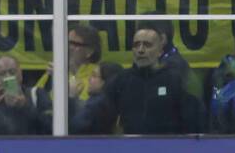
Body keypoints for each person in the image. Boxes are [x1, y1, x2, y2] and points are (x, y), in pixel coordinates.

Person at [71, 25, 204, 135]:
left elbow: (194, 123)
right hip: (132, 151)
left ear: (160, 50)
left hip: (169, 152)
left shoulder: (175, 80)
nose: (141, 50)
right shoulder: (121, 81)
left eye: (147, 45)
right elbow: (95, 117)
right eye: (136, 45)